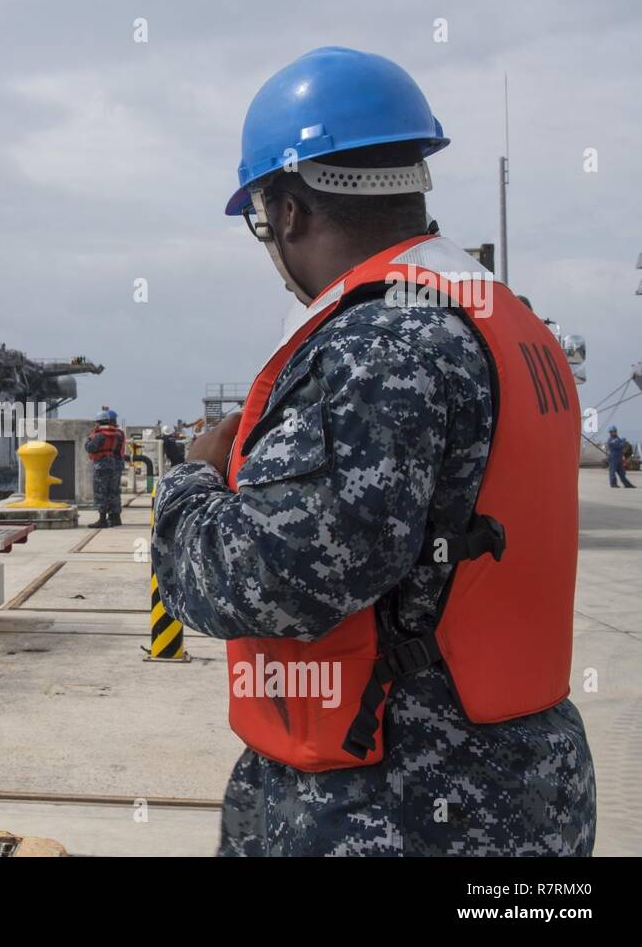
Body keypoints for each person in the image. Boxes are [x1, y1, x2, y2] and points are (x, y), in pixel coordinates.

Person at [151, 47, 594, 856]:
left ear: (287, 210)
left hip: (398, 801)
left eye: (263, 218)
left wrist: (190, 484)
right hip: (527, 784)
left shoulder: (379, 343)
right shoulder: (505, 319)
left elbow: (273, 581)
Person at [84, 408, 125, 528]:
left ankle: (102, 519)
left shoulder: (100, 435)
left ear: (99, 422)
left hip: (101, 465)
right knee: (113, 491)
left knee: (100, 491)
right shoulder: (117, 434)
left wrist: (88, 440)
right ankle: (115, 517)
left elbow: (90, 448)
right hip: (113, 463)